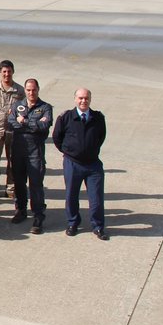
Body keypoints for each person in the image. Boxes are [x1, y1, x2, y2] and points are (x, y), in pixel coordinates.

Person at [52, 88, 108, 240]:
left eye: (86, 98)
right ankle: (73, 223)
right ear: (75, 99)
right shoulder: (66, 117)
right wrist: (69, 151)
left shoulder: (98, 118)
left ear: (90, 99)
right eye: (80, 98)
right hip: (73, 163)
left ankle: (97, 226)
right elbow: (57, 137)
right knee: (71, 195)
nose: (83, 101)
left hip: (93, 165)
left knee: (96, 197)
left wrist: (90, 150)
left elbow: (101, 136)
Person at [8, 79, 53, 234]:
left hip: (35, 153)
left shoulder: (45, 108)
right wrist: (33, 124)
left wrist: (25, 122)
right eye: (28, 90)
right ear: (25, 90)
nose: (31, 92)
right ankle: (21, 210)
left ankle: (38, 216)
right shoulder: (17, 106)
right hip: (18, 151)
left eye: (33, 90)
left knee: (36, 185)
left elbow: (44, 127)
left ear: (38, 89)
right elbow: (11, 123)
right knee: (19, 183)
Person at [0, 60, 25, 199]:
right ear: (0, 73)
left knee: (12, 159)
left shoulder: (19, 90)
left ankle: (11, 188)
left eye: (9, 71)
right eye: (4, 72)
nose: (7, 74)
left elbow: (24, 108)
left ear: (13, 72)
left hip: (13, 130)